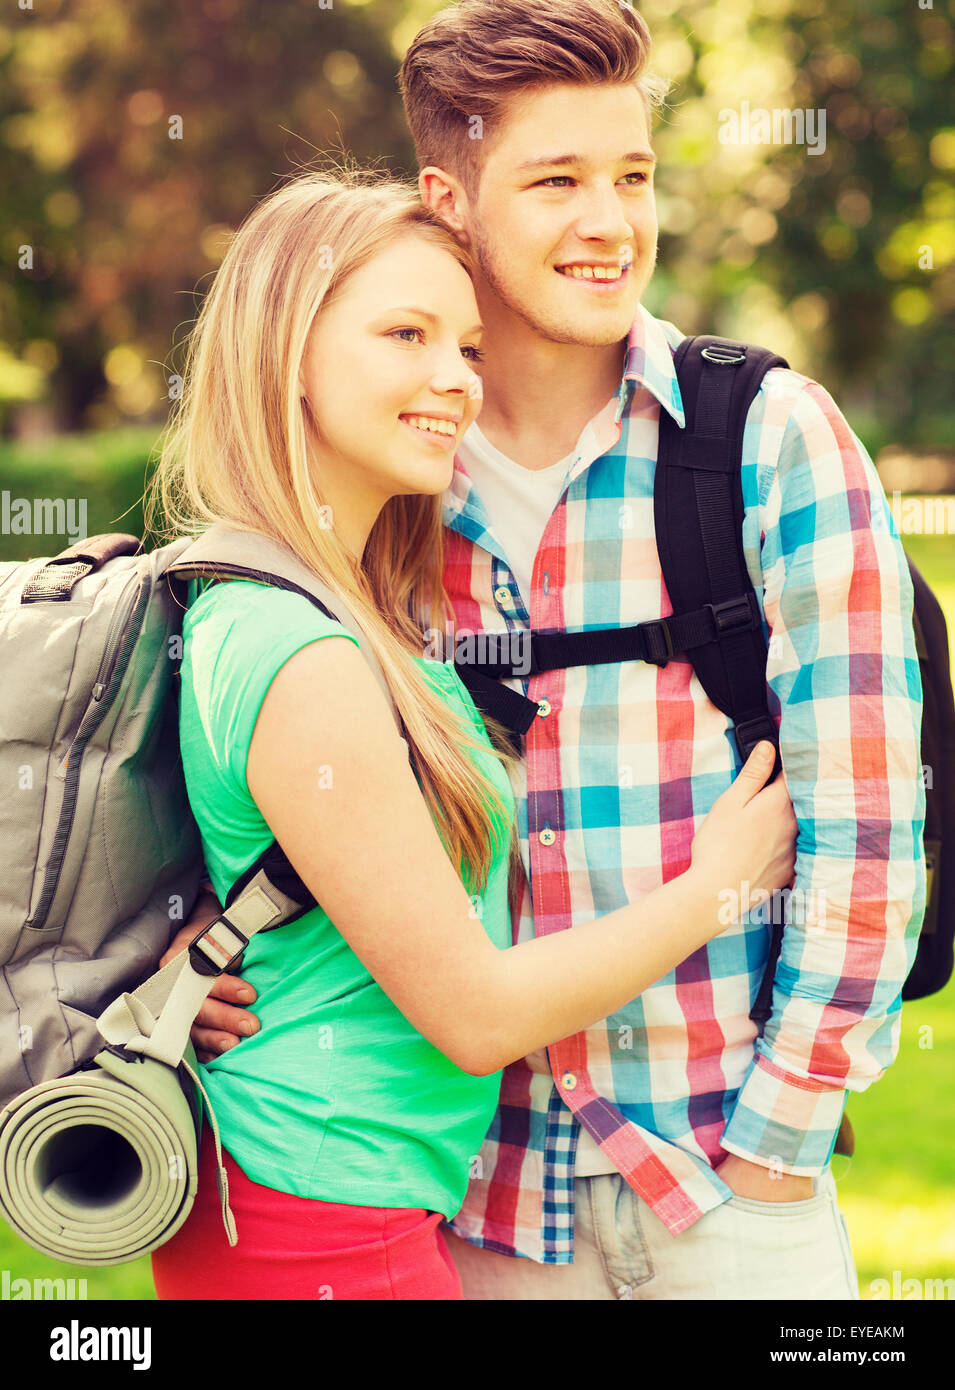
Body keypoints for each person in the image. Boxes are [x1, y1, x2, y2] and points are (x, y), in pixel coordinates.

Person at [169, 0, 925, 1300]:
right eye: (557, 180)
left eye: (632, 175)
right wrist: (196, 954)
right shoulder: (392, 479)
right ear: (450, 200)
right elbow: (272, 786)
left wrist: (780, 1139)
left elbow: (869, 817)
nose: (610, 222)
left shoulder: (764, 436)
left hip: (727, 1176)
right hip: (484, 1201)